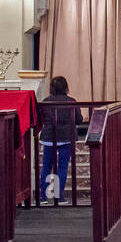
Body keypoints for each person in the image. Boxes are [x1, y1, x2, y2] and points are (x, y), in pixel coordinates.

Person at [39, 76, 82, 205]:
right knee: (62, 167)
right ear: (65, 87)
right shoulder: (71, 101)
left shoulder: (46, 101)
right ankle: (60, 197)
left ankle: (42, 197)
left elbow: (41, 119)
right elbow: (79, 119)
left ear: (51, 88)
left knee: (46, 166)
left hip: (49, 137)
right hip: (66, 137)